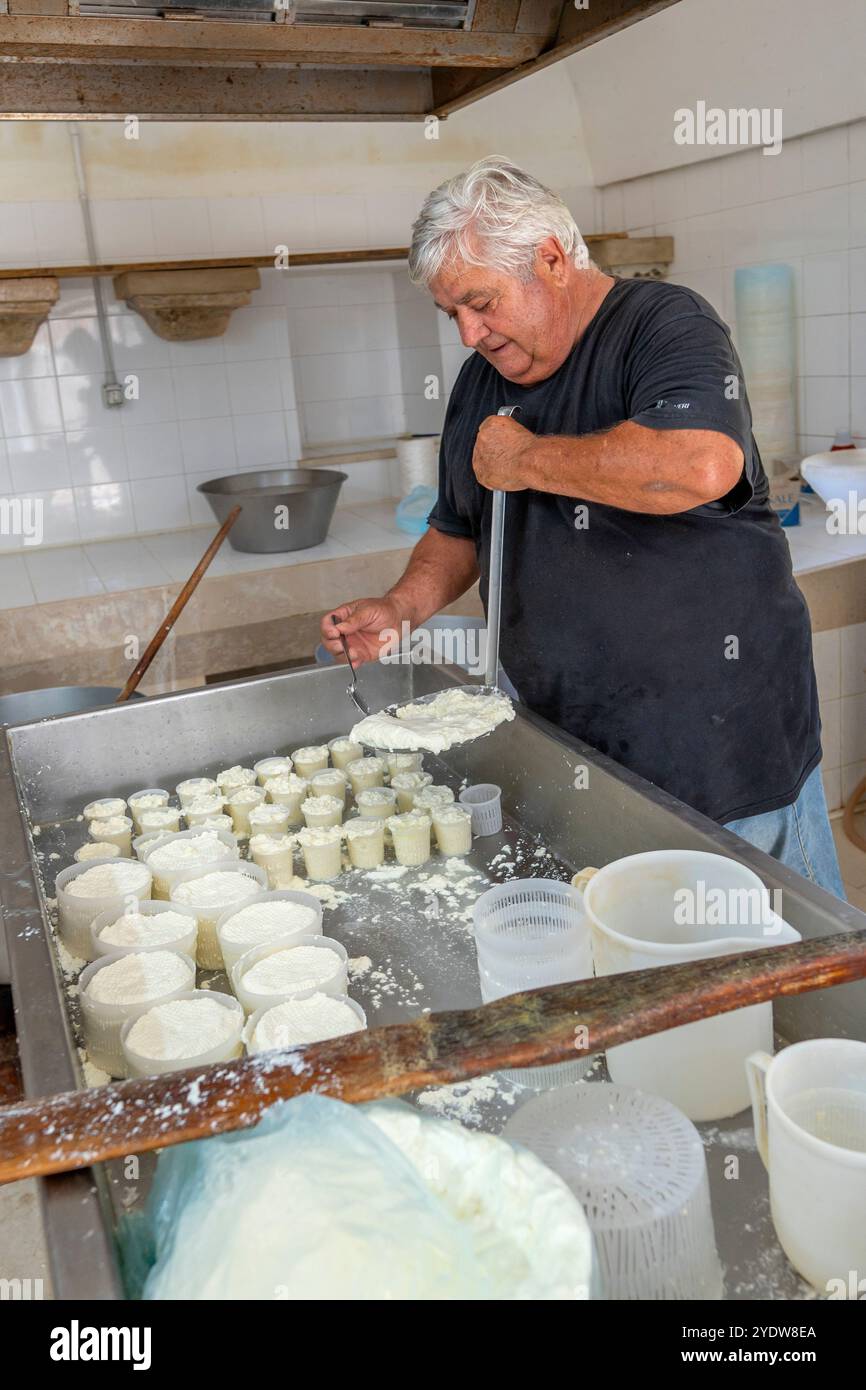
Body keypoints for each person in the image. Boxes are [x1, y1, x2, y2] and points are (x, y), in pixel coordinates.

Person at [321, 156, 843, 899]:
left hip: (716, 744)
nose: (469, 333)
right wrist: (400, 608)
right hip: (577, 745)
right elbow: (460, 527)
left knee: (785, 961)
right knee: (643, 958)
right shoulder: (482, 382)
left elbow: (699, 466)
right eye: (452, 315)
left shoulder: (662, 324)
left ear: (552, 259)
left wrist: (529, 458)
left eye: (481, 302)